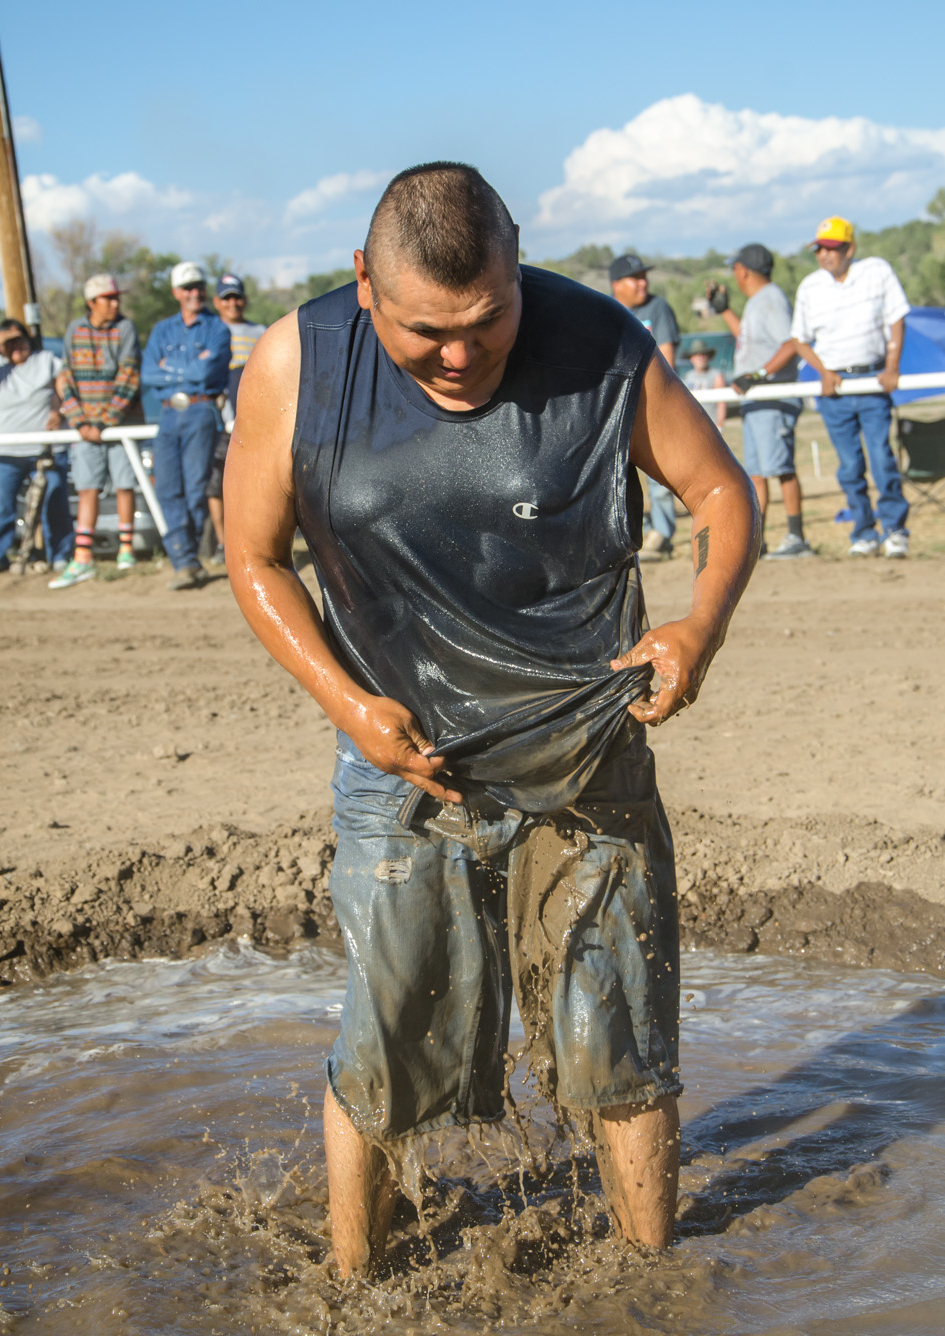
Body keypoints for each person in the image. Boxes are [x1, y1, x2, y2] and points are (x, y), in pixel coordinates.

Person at [225, 162, 760, 1277]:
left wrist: (696, 630)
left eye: (490, 319)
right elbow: (252, 553)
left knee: (621, 1036)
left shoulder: (602, 345)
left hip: (587, 746)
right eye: (428, 333)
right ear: (366, 284)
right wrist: (349, 705)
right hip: (402, 759)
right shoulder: (301, 360)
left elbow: (721, 493)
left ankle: (652, 1279)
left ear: (518, 258)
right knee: (385, 1034)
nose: (462, 356)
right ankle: (352, 1282)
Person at [791, 217, 910, 557]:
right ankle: (864, 532)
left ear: (849, 248)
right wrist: (823, 372)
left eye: (831, 248)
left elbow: (897, 319)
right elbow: (799, 340)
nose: (824, 255)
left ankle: (895, 530)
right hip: (836, 391)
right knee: (849, 466)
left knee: (882, 458)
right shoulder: (810, 287)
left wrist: (892, 366)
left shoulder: (877, 271)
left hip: (872, 381)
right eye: (819, 249)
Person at [706, 244, 814, 559]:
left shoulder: (771, 300)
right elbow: (749, 340)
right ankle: (758, 540)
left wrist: (759, 374)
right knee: (756, 472)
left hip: (771, 397)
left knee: (780, 467)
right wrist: (724, 309)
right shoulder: (758, 302)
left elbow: (791, 343)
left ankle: (796, 537)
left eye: (735, 268)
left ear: (744, 270)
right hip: (757, 398)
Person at [141, 262, 231, 588]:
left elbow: (206, 375)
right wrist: (189, 367)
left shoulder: (217, 328)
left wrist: (171, 368)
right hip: (168, 414)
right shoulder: (161, 330)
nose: (194, 293)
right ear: (176, 292)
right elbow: (148, 374)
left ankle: (187, 558)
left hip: (201, 410)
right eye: (188, 288)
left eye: (198, 287)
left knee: (195, 488)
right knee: (166, 486)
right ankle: (183, 559)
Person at [49, 274, 142, 588]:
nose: (115, 303)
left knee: (124, 483)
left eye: (117, 298)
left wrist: (105, 421)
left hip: (117, 425)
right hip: (87, 425)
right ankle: (83, 555)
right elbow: (66, 377)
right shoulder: (75, 330)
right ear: (92, 303)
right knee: (87, 487)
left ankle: (126, 549)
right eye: (108, 298)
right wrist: (80, 421)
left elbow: (129, 376)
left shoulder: (125, 328)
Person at [0, 321, 73, 575]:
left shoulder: (46, 360)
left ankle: (60, 554)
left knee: (54, 501)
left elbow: (64, 390)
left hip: (45, 449)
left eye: (20, 339)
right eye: (9, 342)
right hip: (6, 450)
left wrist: (60, 411)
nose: (16, 346)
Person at [609, 253, 680, 558]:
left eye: (644, 277)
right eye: (635, 278)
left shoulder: (657, 307)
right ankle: (626, 533)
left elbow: (667, 358)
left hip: (653, 404)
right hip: (617, 405)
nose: (643, 283)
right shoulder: (606, 311)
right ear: (616, 285)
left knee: (659, 476)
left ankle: (662, 534)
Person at [206, 274, 266, 564]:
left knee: (258, 486)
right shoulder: (209, 330)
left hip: (255, 420)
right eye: (226, 297)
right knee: (216, 483)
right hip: (219, 422)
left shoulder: (261, 332)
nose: (233, 303)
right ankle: (221, 544)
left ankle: (258, 546)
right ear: (217, 302)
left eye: (236, 297)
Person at [683, 337, 726, 428]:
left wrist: (720, 425)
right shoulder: (688, 376)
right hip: (692, 423)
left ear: (708, 356)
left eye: (703, 354)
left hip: (711, 425)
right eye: (696, 354)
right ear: (691, 358)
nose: (700, 357)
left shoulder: (716, 376)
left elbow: (721, 403)